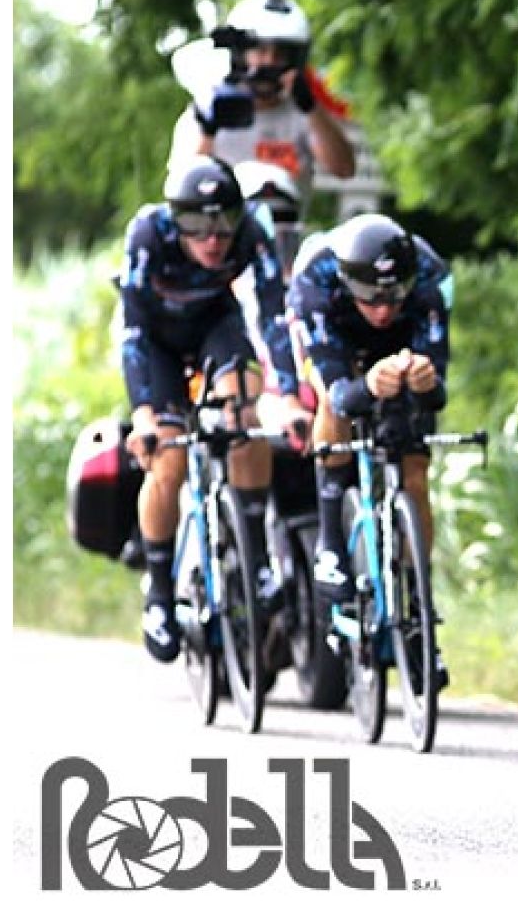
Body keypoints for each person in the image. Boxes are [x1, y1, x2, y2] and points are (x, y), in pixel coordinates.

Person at [119, 155, 314, 663]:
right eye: (197, 227)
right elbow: (133, 331)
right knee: (168, 459)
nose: (212, 240)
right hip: (157, 342)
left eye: (224, 224)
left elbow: (274, 317)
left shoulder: (252, 232)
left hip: (213, 326)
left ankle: (256, 558)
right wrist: (144, 413)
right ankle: (160, 592)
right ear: (175, 221)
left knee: (244, 415)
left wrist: (289, 396)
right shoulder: (148, 233)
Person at [286, 213, 454, 689]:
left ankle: (418, 607)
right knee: (332, 408)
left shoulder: (431, 277)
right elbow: (338, 391)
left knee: (414, 466)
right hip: (337, 345)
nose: (382, 309)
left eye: (392, 296)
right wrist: (366, 385)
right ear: (348, 283)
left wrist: (424, 381)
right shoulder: (315, 279)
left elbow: (437, 394)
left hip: (402, 348)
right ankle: (331, 542)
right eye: (370, 298)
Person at [168, 0, 355, 212]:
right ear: (240, 53)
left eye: (280, 54)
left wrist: (310, 106)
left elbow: (344, 169)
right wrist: (208, 130)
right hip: (222, 229)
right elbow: (182, 188)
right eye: (261, 50)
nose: (270, 62)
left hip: (284, 227)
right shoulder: (206, 110)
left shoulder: (302, 114)